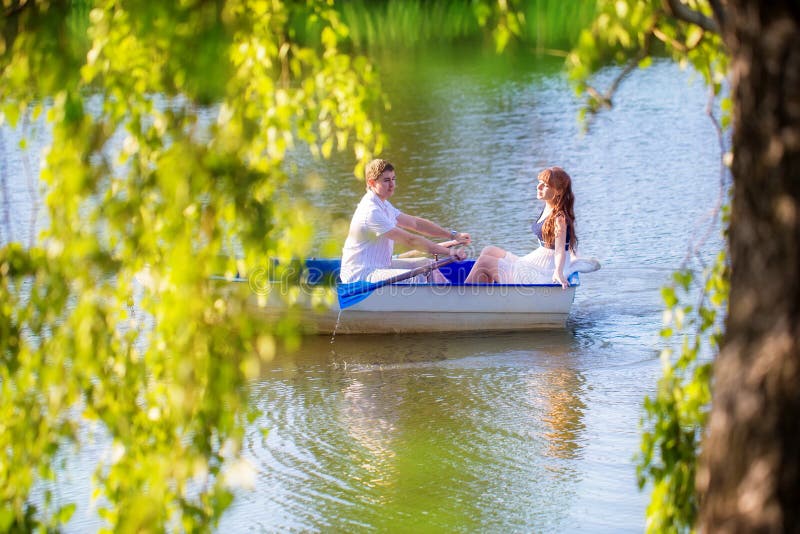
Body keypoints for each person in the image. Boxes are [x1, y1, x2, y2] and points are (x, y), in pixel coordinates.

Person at [339, 158, 471, 284]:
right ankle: (448, 300)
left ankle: (448, 294)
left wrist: (453, 235)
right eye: (386, 180)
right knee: (418, 276)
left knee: (426, 264)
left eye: (393, 179)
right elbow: (410, 240)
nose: (392, 185)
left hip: (381, 267)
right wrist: (450, 252)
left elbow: (416, 224)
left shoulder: (383, 204)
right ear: (372, 183)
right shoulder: (371, 212)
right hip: (361, 275)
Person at [464, 166, 598, 288]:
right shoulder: (548, 207)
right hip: (536, 263)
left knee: (485, 261)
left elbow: (560, 250)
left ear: (558, 191)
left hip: (543, 273)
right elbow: (568, 247)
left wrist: (558, 272)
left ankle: (464, 298)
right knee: (489, 250)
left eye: (545, 185)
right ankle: (486, 296)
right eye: (539, 182)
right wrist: (574, 257)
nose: (538, 187)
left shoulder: (559, 218)